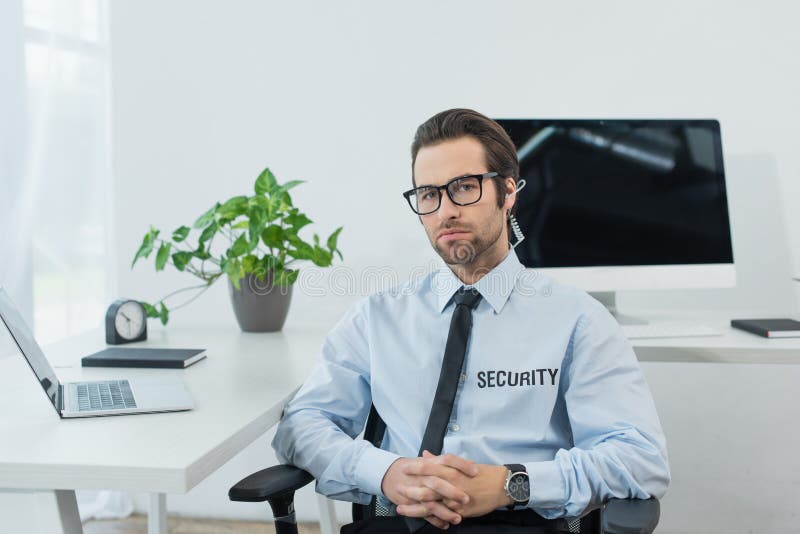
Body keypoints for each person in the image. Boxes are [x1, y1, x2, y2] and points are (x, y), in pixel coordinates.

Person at [272, 108, 670, 533]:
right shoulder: (377, 316)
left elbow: (639, 458)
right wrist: (384, 472)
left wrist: (511, 484)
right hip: (404, 523)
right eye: (428, 194)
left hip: (525, 522)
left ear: (509, 191)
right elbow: (301, 424)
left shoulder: (579, 320)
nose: (445, 211)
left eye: (464, 187)